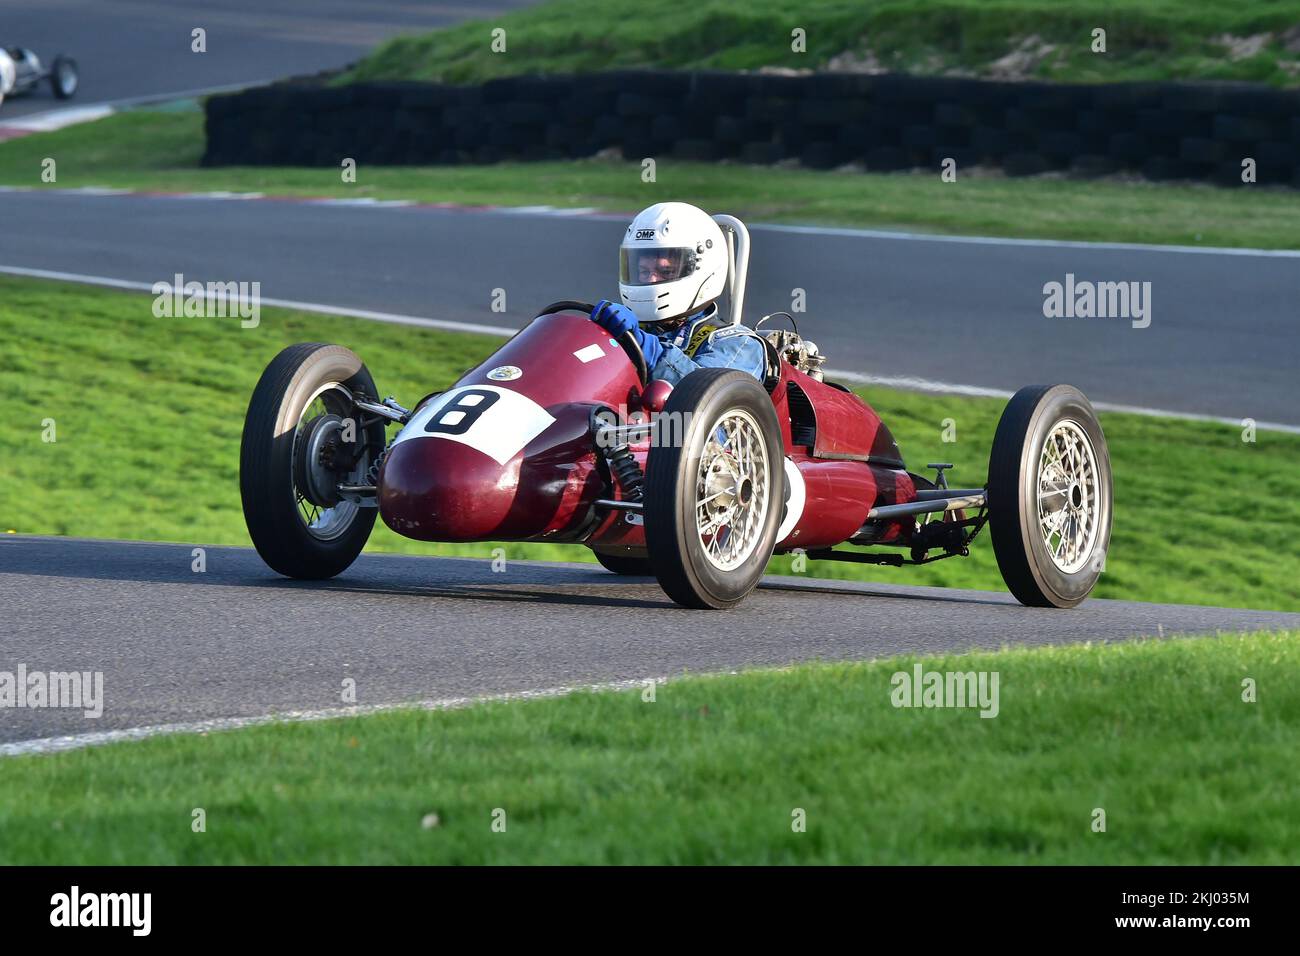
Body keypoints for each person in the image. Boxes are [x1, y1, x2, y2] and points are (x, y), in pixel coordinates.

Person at [589, 201, 767, 386]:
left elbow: (706, 394)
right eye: (643, 271)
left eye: (665, 272)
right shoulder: (626, 331)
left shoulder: (738, 344)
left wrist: (647, 349)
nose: (651, 280)